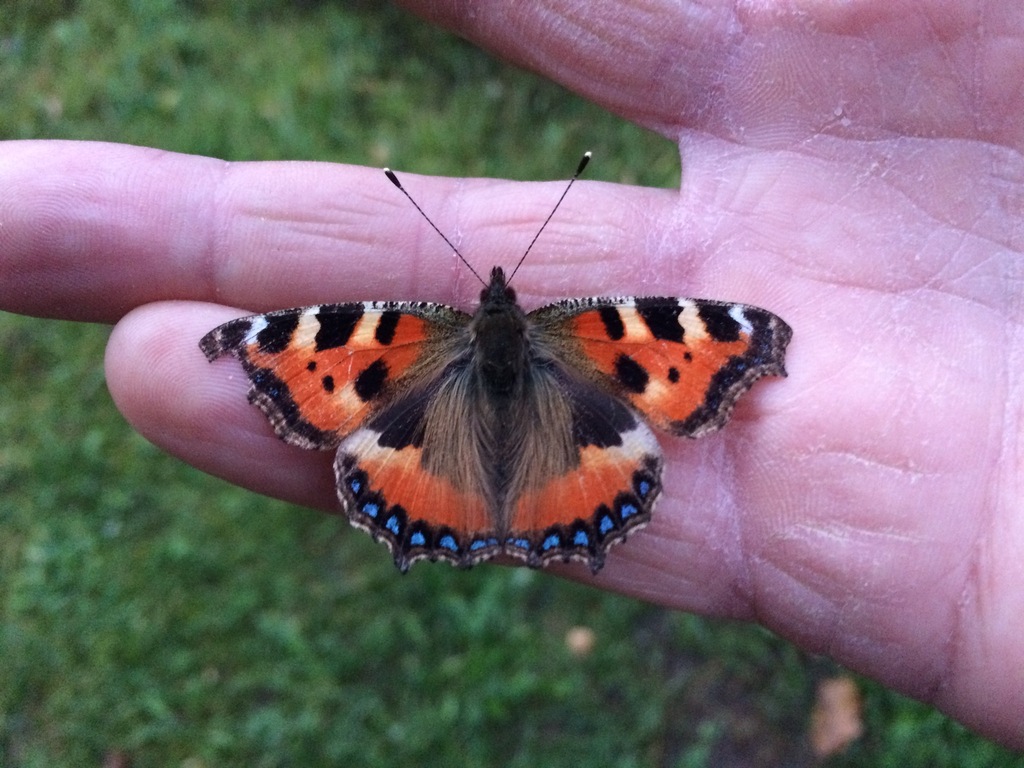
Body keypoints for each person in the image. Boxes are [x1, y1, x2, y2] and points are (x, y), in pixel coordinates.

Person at [1, 0, 1020, 749]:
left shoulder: (390, 337)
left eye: (725, 347)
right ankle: (535, 512)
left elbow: (309, 352)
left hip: (430, 440)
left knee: (435, 440)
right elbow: (292, 353)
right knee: (571, 443)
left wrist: (738, 339)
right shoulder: (604, 333)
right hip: (567, 436)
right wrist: (252, 343)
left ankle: (457, 514)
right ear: (512, 310)